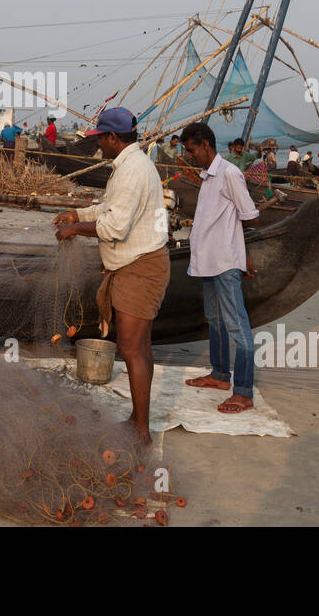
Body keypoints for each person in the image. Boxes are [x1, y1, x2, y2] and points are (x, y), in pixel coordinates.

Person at [52, 108, 169, 447]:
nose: (99, 145)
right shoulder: (131, 166)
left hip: (140, 267)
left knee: (132, 349)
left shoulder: (133, 171)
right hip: (138, 263)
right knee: (141, 347)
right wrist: (78, 213)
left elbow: (115, 227)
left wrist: (76, 228)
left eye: (101, 139)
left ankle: (141, 432)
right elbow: (108, 210)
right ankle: (137, 419)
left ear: (115, 138)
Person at [178, 121, 260, 414]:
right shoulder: (209, 176)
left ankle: (244, 392)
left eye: (192, 150)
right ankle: (219, 375)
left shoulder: (229, 173)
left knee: (237, 325)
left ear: (205, 145)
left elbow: (249, 215)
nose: (190, 155)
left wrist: (238, 248)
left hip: (224, 262)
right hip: (208, 262)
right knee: (215, 319)